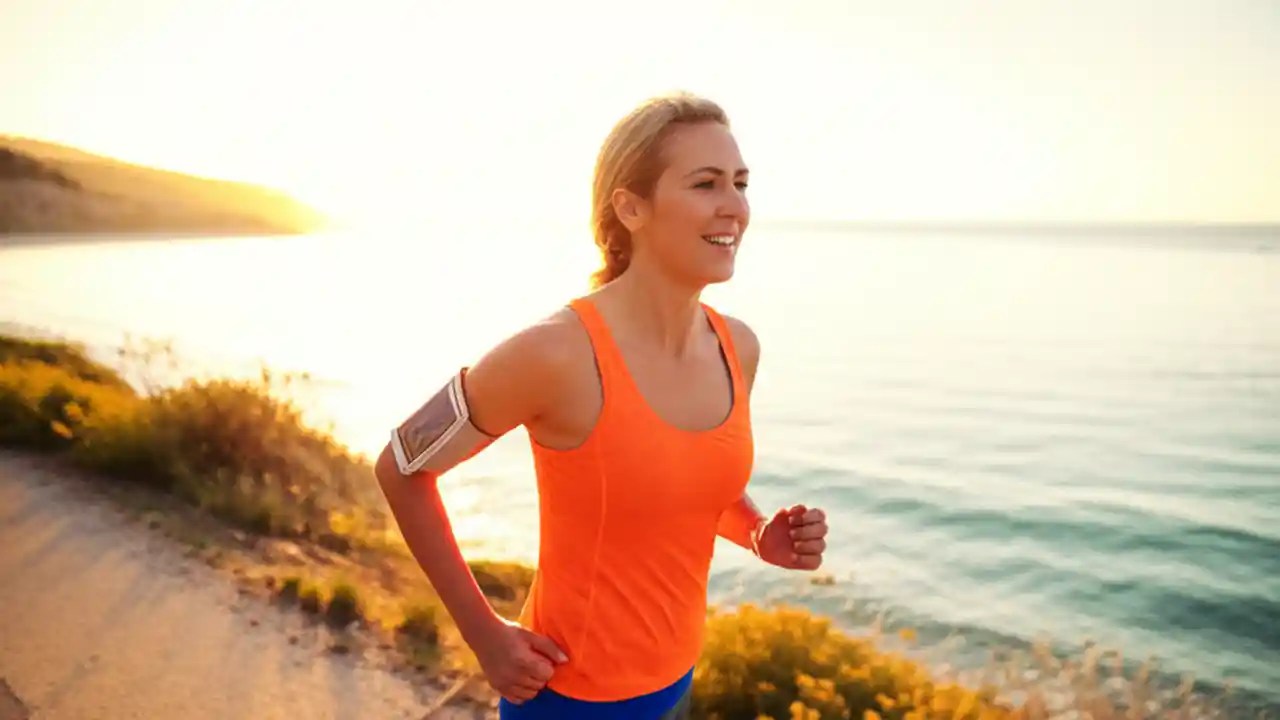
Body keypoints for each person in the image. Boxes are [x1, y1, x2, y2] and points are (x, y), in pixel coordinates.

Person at [373, 92, 830, 719]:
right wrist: (485, 635)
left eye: (741, 183)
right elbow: (401, 466)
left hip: (675, 684)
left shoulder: (737, 347)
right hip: (569, 700)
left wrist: (757, 533)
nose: (735, 207)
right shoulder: (556, 353)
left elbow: (689, 485)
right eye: (705, 183)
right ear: (630, 207)